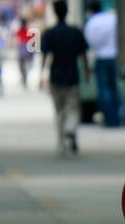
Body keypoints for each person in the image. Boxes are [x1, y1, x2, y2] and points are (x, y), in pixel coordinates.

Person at [40, 0, 88, 155]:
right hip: (72, 76)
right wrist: (86, 72)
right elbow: (83, 55)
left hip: (56, 77)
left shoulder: (50, 33)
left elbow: (45, 56)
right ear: (67, 12)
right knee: (73, 108)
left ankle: (61, 142)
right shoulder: (75, 31)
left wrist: (42, 73)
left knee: (59, 111)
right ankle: (70, 129)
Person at [83, 0, 118, 126]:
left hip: (101, 58)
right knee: (113, 88)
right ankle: (115, 118)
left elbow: (90, 43)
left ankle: (109, 119)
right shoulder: (112, 18)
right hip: (114, 57)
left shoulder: (91, 23)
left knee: (104, 90)